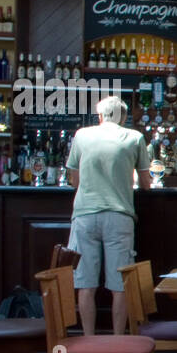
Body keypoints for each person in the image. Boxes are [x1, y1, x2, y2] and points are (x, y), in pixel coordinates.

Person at [65, 95, 151, 336]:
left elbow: (75, 180)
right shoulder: (134, 138)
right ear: (124, 117)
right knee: (119, 284)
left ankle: (89, 339)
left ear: (100, 116)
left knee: (85, 284)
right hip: (119, 216)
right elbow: (146, 184)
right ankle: (117, 341)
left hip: (84, 215)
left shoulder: (82, 135)